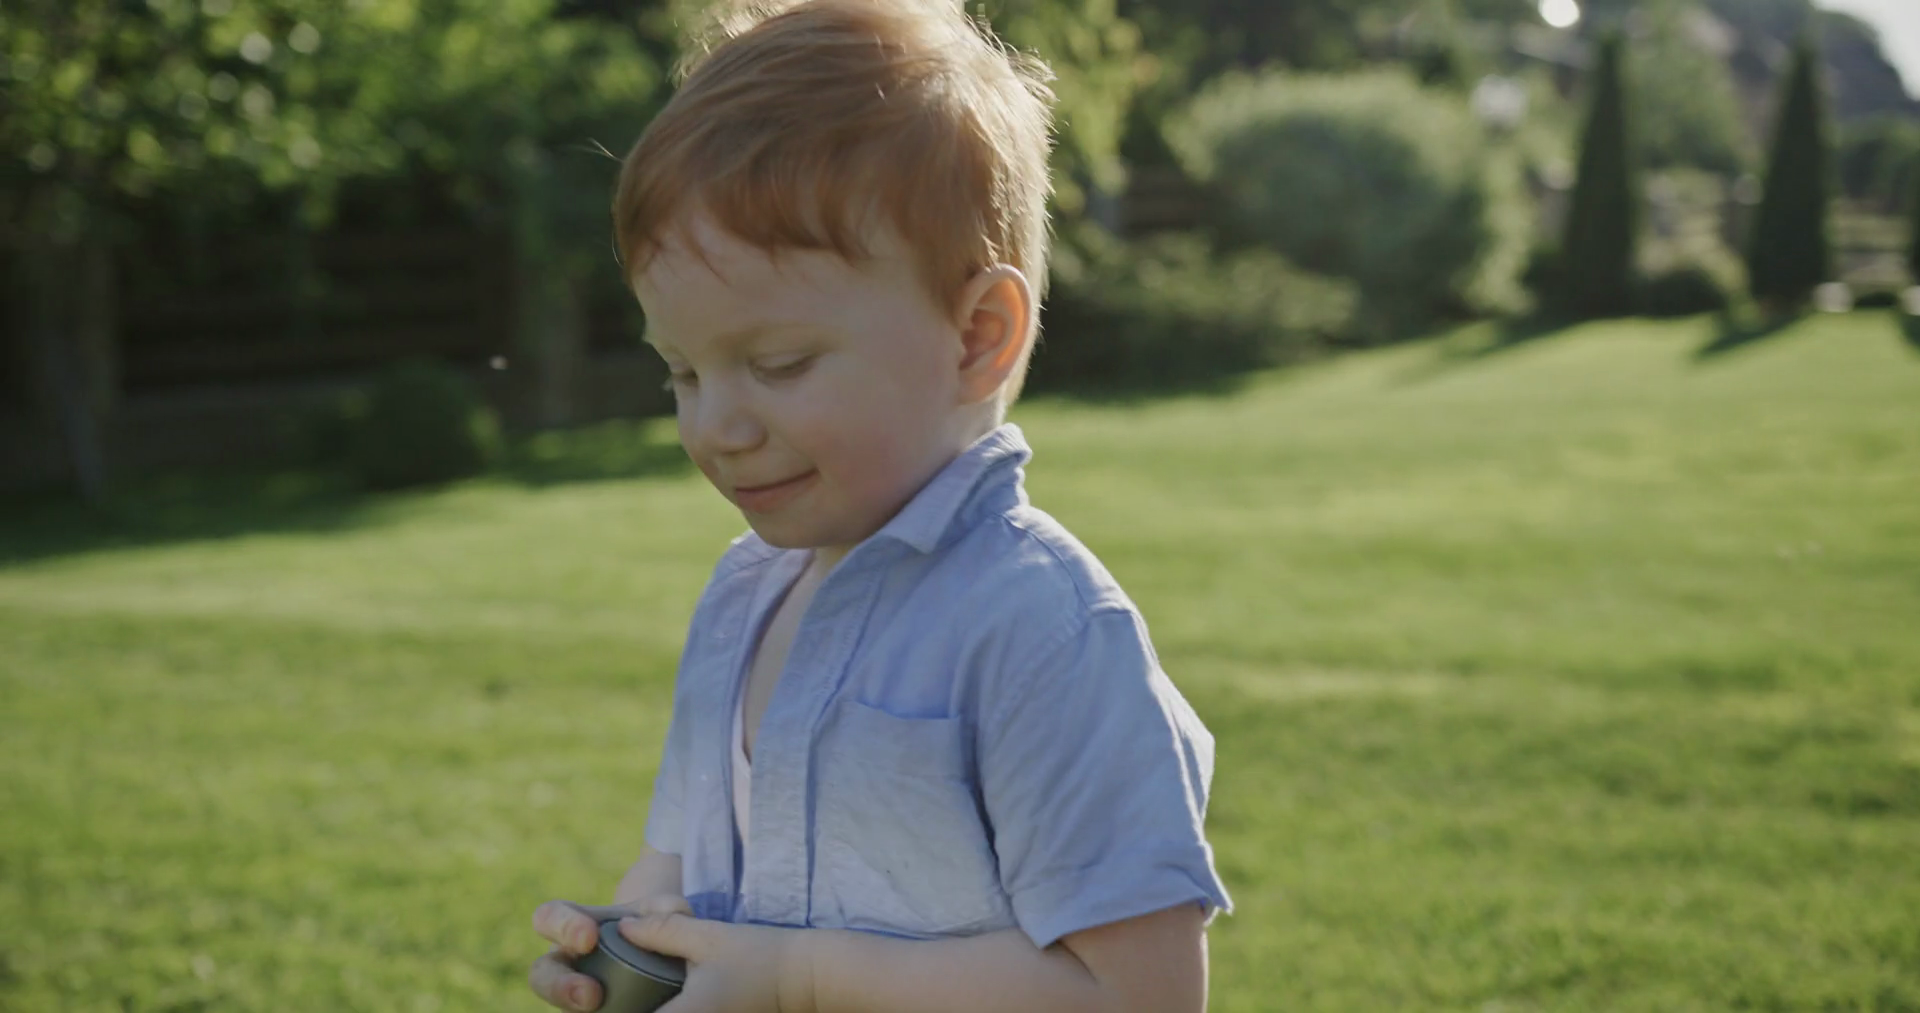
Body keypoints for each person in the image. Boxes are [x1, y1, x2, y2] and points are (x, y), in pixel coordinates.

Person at [528, 1, 1232, 1009]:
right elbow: (679, 865)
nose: (715, 425)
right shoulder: (742, 599)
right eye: (681, 372)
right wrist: (628, 945)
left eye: (779, 363)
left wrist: (802, 978)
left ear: (976, 336)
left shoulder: (1043, 630)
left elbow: (1141, 994)